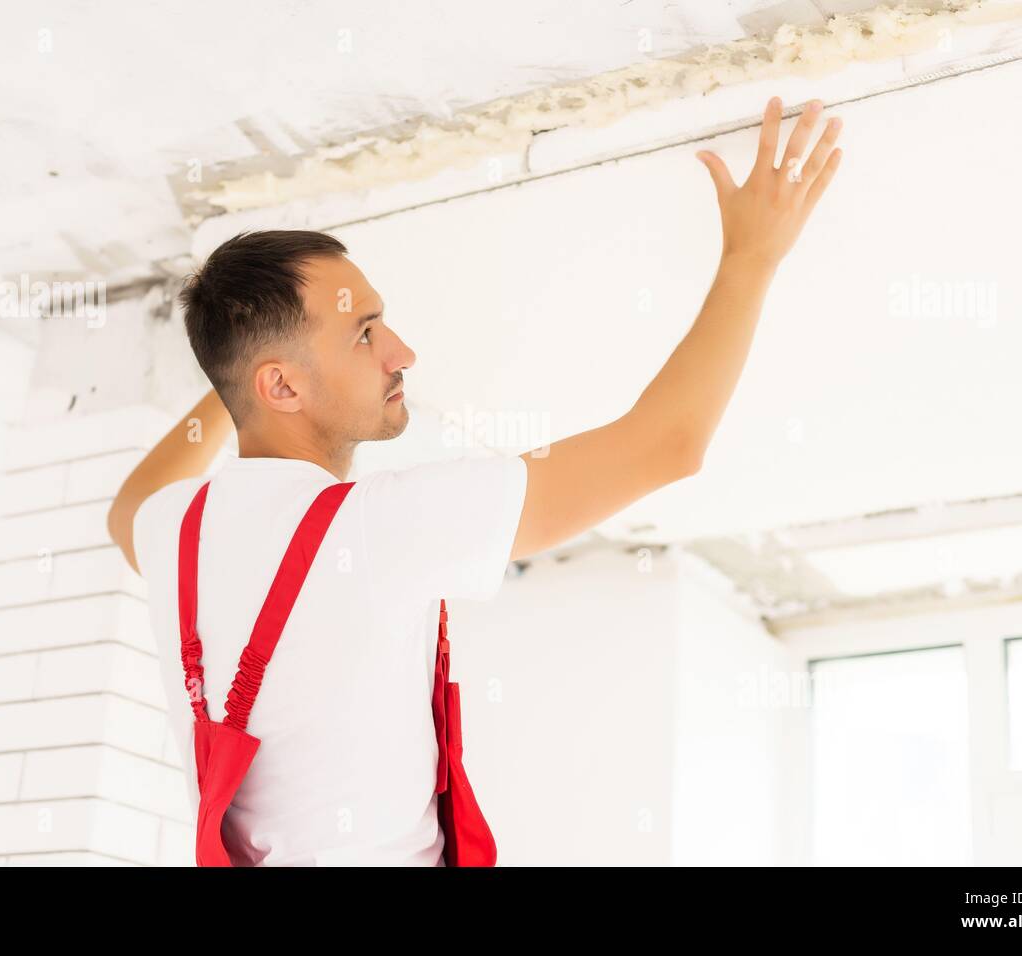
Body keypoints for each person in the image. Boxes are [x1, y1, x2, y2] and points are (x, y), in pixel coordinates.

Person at [107, 96, 843, 865]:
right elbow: (666, 445)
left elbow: (129, 504)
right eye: (365, 334)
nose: (402, 352)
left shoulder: (174, 531)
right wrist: (750, 259)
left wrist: (237, 379)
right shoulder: (375, 531)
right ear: (283, 387)